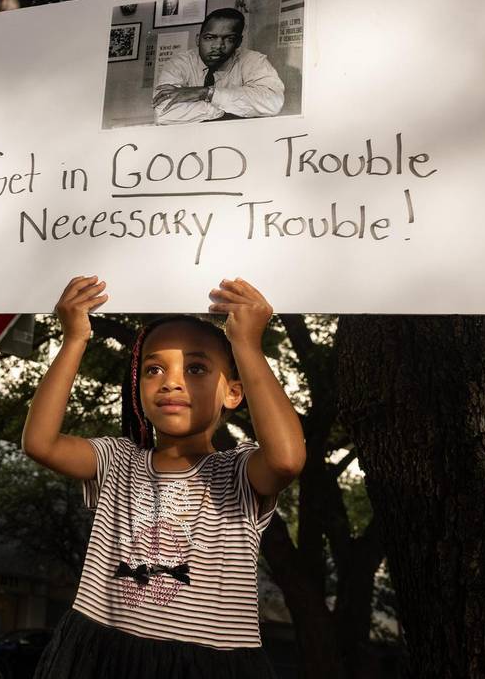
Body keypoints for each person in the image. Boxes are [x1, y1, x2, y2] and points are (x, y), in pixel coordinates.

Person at [23, 275, 305, 678]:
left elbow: (287, 460)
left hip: (208, 665)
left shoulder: (239, 472)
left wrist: (247, 344)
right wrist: (73, 340)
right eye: (154, 369)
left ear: (234, 393)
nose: (172, 381)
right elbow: (40, 442)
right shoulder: (117, 460)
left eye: (196, 368)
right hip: (99, 655)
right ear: (137, 389)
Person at [152, 8, 285, 124]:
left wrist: (206, 93)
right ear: (198, 39)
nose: (218, 46)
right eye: (209, 38)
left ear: (238, 42)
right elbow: (163, 113)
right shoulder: (178, 64)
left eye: (229, 39)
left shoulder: (254, 61)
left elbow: (273, 103)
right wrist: (229, 110)